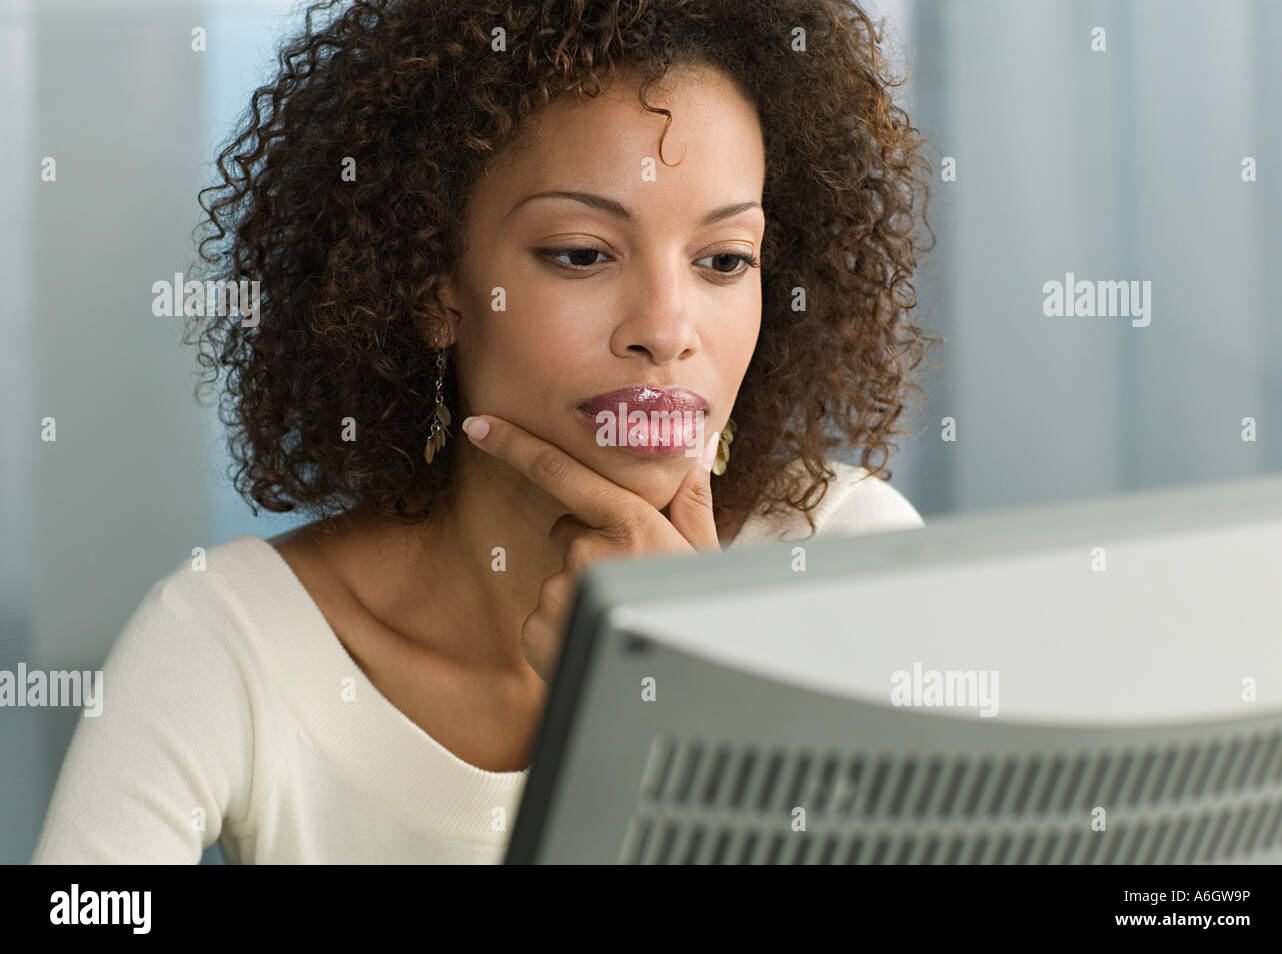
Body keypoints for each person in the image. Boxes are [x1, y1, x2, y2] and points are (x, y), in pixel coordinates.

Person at [33, 0, 938, 863]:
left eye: (725, 261)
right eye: (582, 254)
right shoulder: (231, 643)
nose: (666, 329)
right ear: (437, 288)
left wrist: (695, 716)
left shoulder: (847, 562)